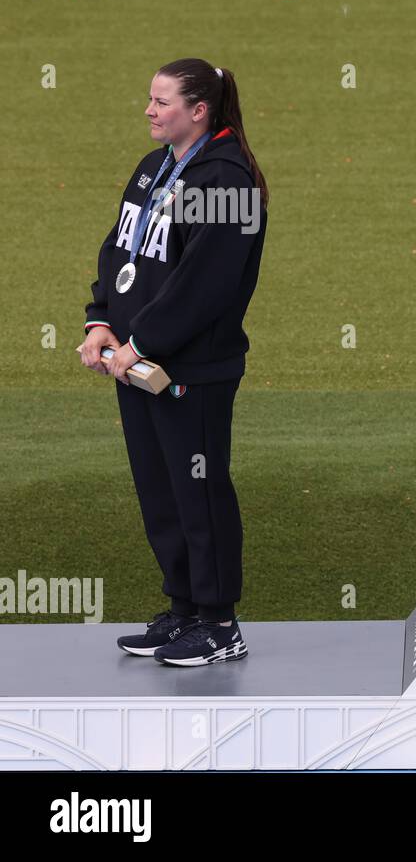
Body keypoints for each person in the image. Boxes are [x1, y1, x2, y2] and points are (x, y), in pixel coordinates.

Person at [77, 58, 269, 665]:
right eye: (150, 99)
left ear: (199, 110)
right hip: (135, 363)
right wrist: (101, 317)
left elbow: (205, 285)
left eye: (162, 101)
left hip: (191, 371)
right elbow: (119, 247)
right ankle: (183, 609)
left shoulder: (227, 182)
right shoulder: (154, 167)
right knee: (160, 493)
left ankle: (219, 624)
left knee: (199, 491)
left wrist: (143, 342)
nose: (149, 110)